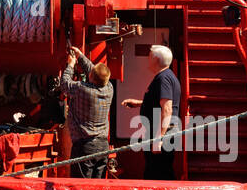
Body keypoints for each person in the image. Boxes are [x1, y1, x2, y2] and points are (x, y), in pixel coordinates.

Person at [122, 44, 182, 179]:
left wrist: (158, 138)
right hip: (162, 133)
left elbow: (167, 108)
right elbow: (161, 103)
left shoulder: (163, 79)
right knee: (159, 170)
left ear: (156, 59)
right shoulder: (167, 76)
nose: (148, 59)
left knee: (157, 173)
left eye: (149, 56)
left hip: (160, 135)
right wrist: (139, 104)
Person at [60, 45, 114, 177]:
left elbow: (65, 84)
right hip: (102, 146)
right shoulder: (109, 88)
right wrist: (80, 56)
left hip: (84, 147)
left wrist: (71, 65)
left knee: (81, 187)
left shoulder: (82, 89)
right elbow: (94, 73)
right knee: (97, 186)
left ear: (91, 77)